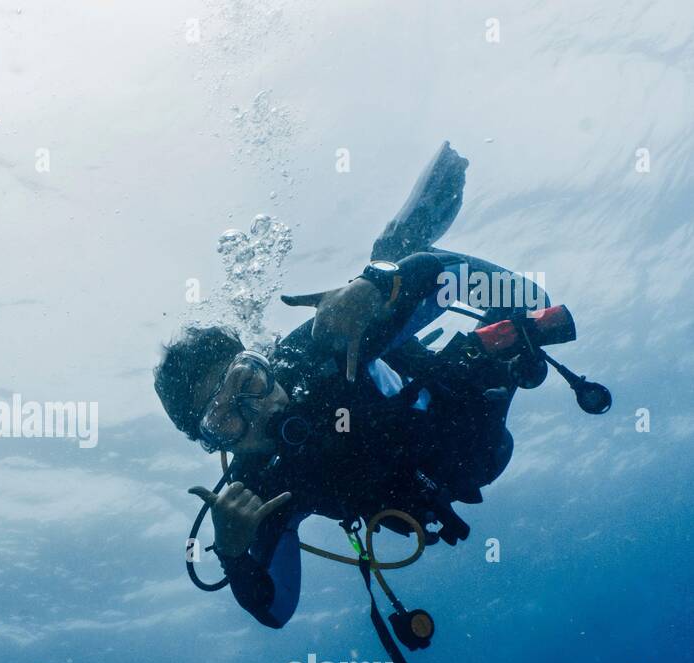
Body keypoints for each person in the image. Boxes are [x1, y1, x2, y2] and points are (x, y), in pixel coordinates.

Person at [155, 142, 577, 630]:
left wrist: (381, 283)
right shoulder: (260, 492)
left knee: (384, 282)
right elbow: (275, 610)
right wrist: (231, 552)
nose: (256, 411)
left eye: (247, 379)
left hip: (469, 419)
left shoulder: (322, 350)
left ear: (261, 362)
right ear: (212, 444)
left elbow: (528, 297)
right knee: (391, 279)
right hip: (448, 484)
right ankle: (392, 266)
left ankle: (390, 263)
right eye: (224, 417)